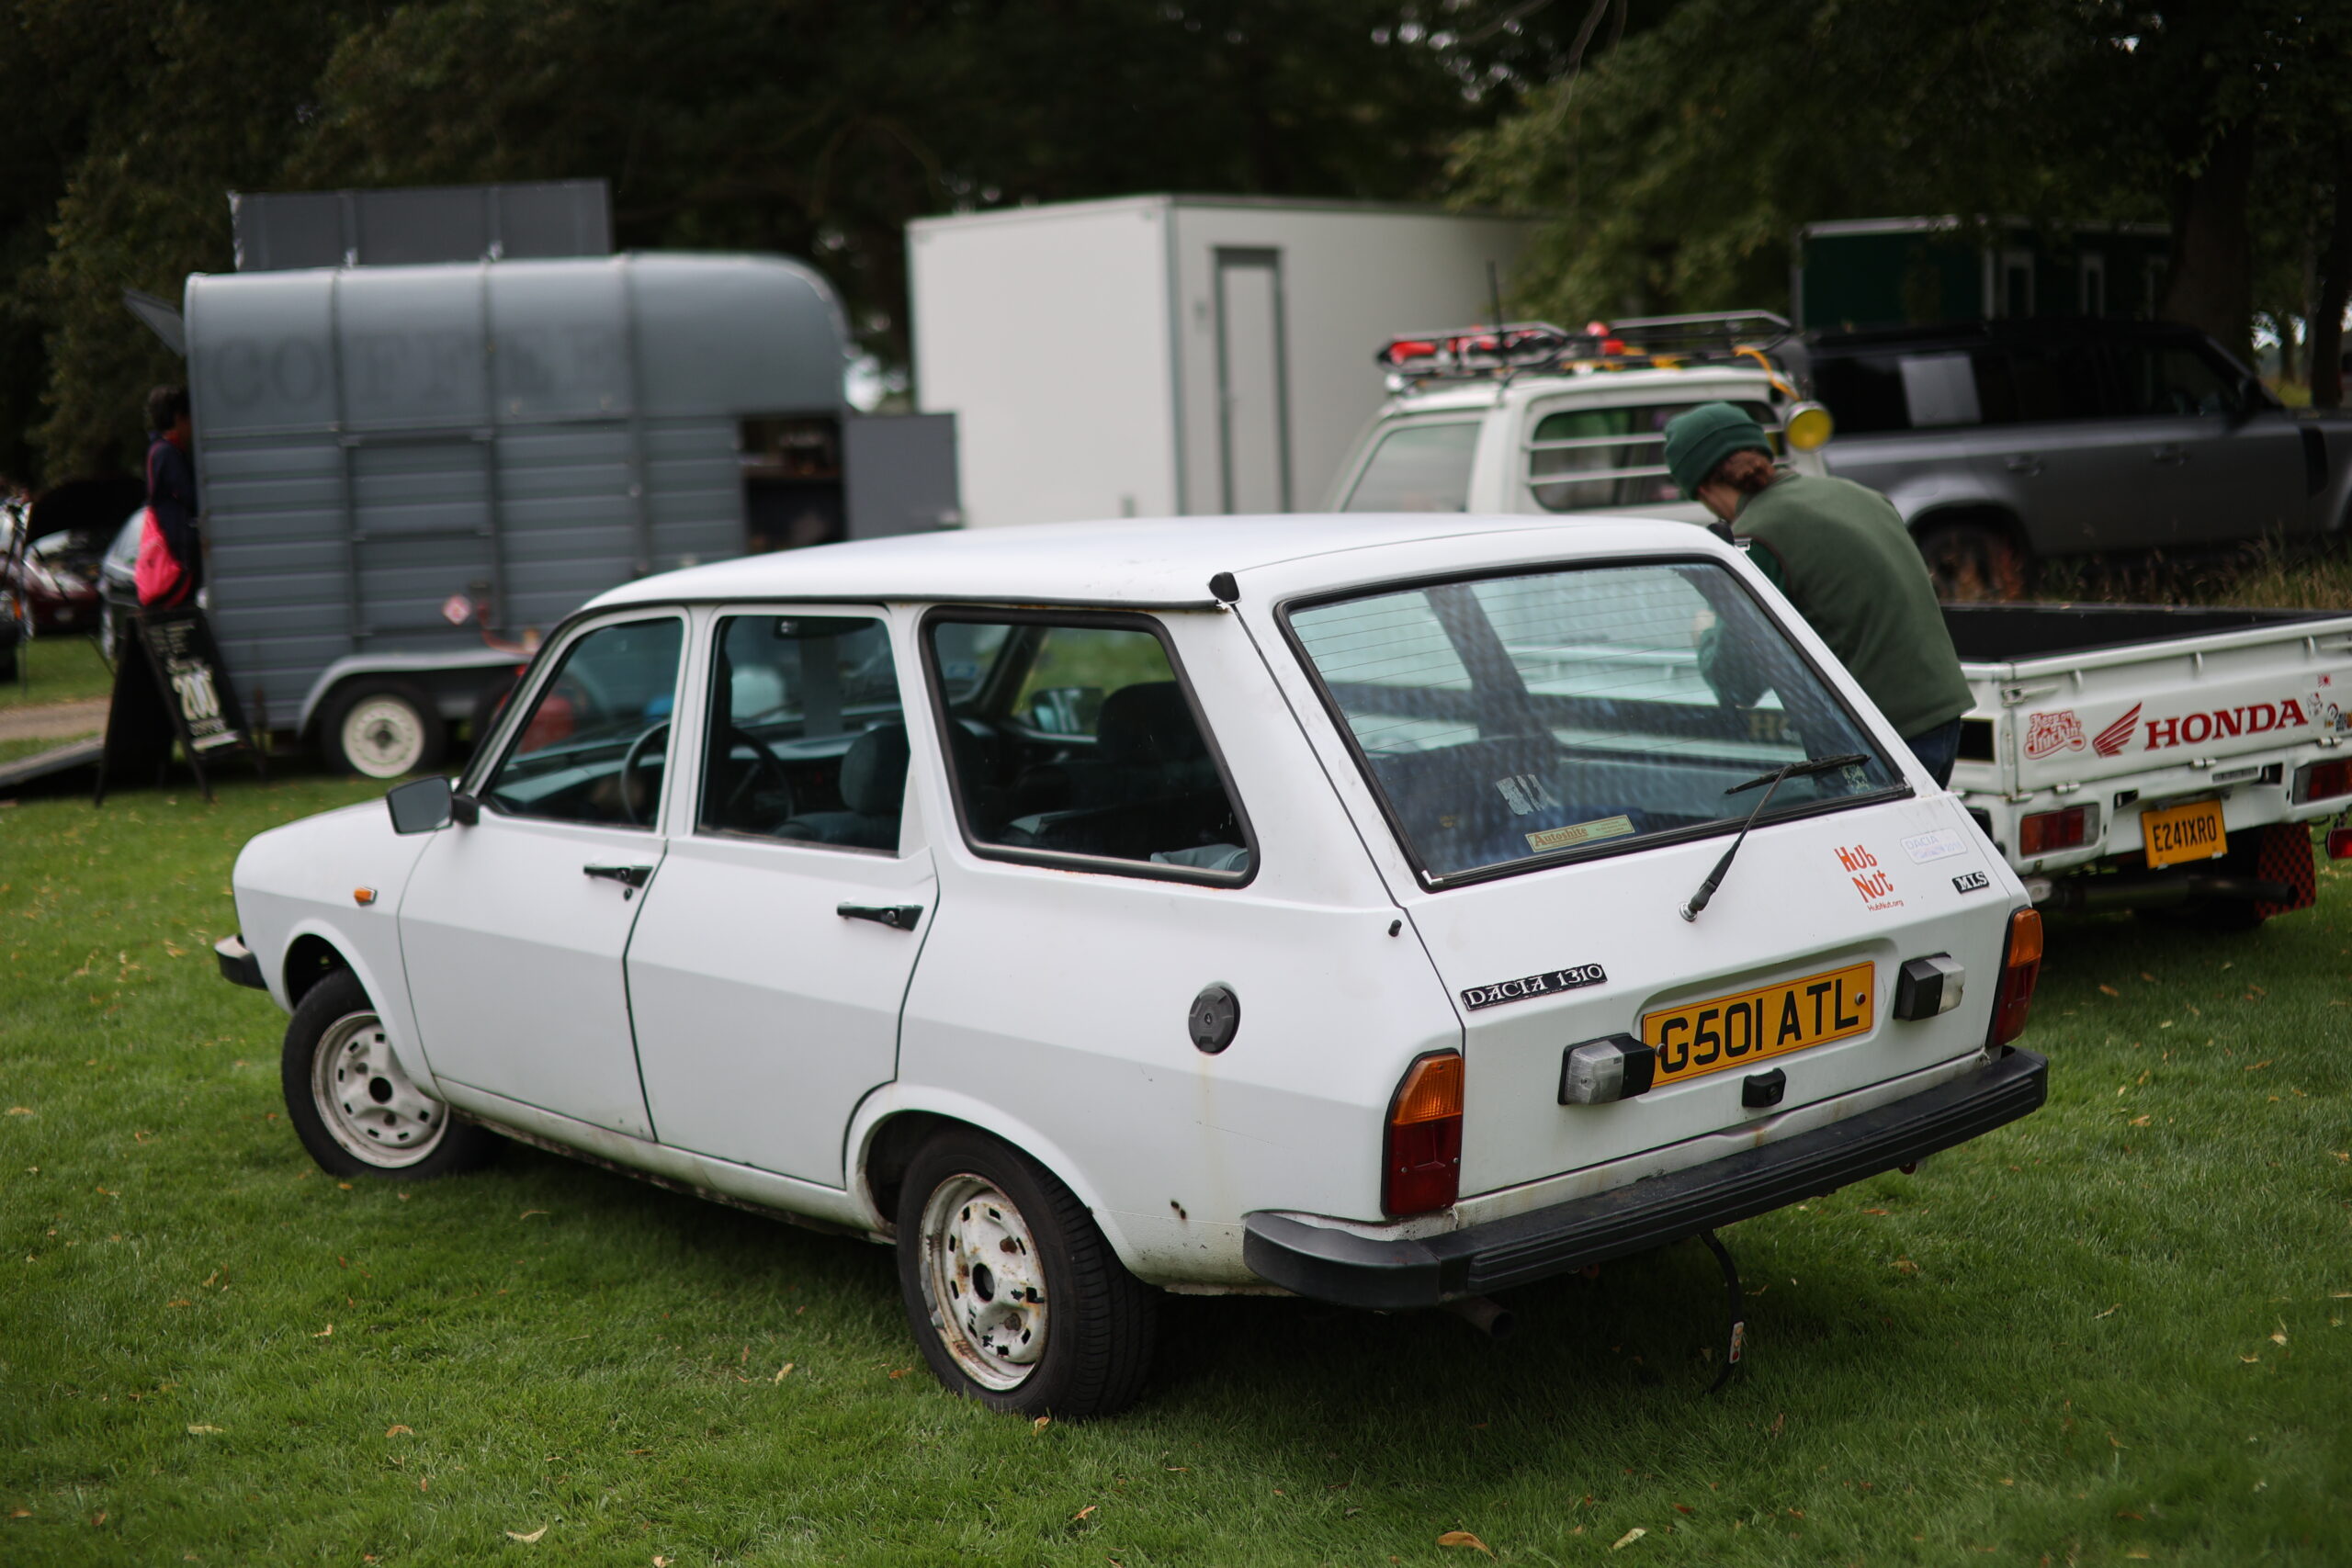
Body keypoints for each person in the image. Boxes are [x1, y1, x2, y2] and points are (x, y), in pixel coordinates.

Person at [1664, 401, 1973, 786]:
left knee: (1864, 847)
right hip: (1942, 713)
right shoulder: (1860, 495)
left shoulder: (1757, 535)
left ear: (1702, 488)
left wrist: (1708, 632)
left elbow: (1739, 680)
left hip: (1873, 737)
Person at [135, 384, 199, 609]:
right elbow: (191, 497)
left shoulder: (158, 450)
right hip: (178, 555)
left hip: (176, 551)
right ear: (178, 417)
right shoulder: (167, 453)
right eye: (189, 417)